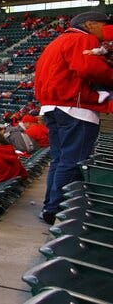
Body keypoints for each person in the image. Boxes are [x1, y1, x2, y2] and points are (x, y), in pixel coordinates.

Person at [33, 11, 112, 224]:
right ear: (90, 24)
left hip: (52, 107)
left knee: (60, 161)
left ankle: (50, 207)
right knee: (71, 162)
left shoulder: (57, 41)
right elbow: (89, 68)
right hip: (75, 108)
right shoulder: (83, 37)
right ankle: (57, 211)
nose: (105, 30)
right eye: (103, 24)